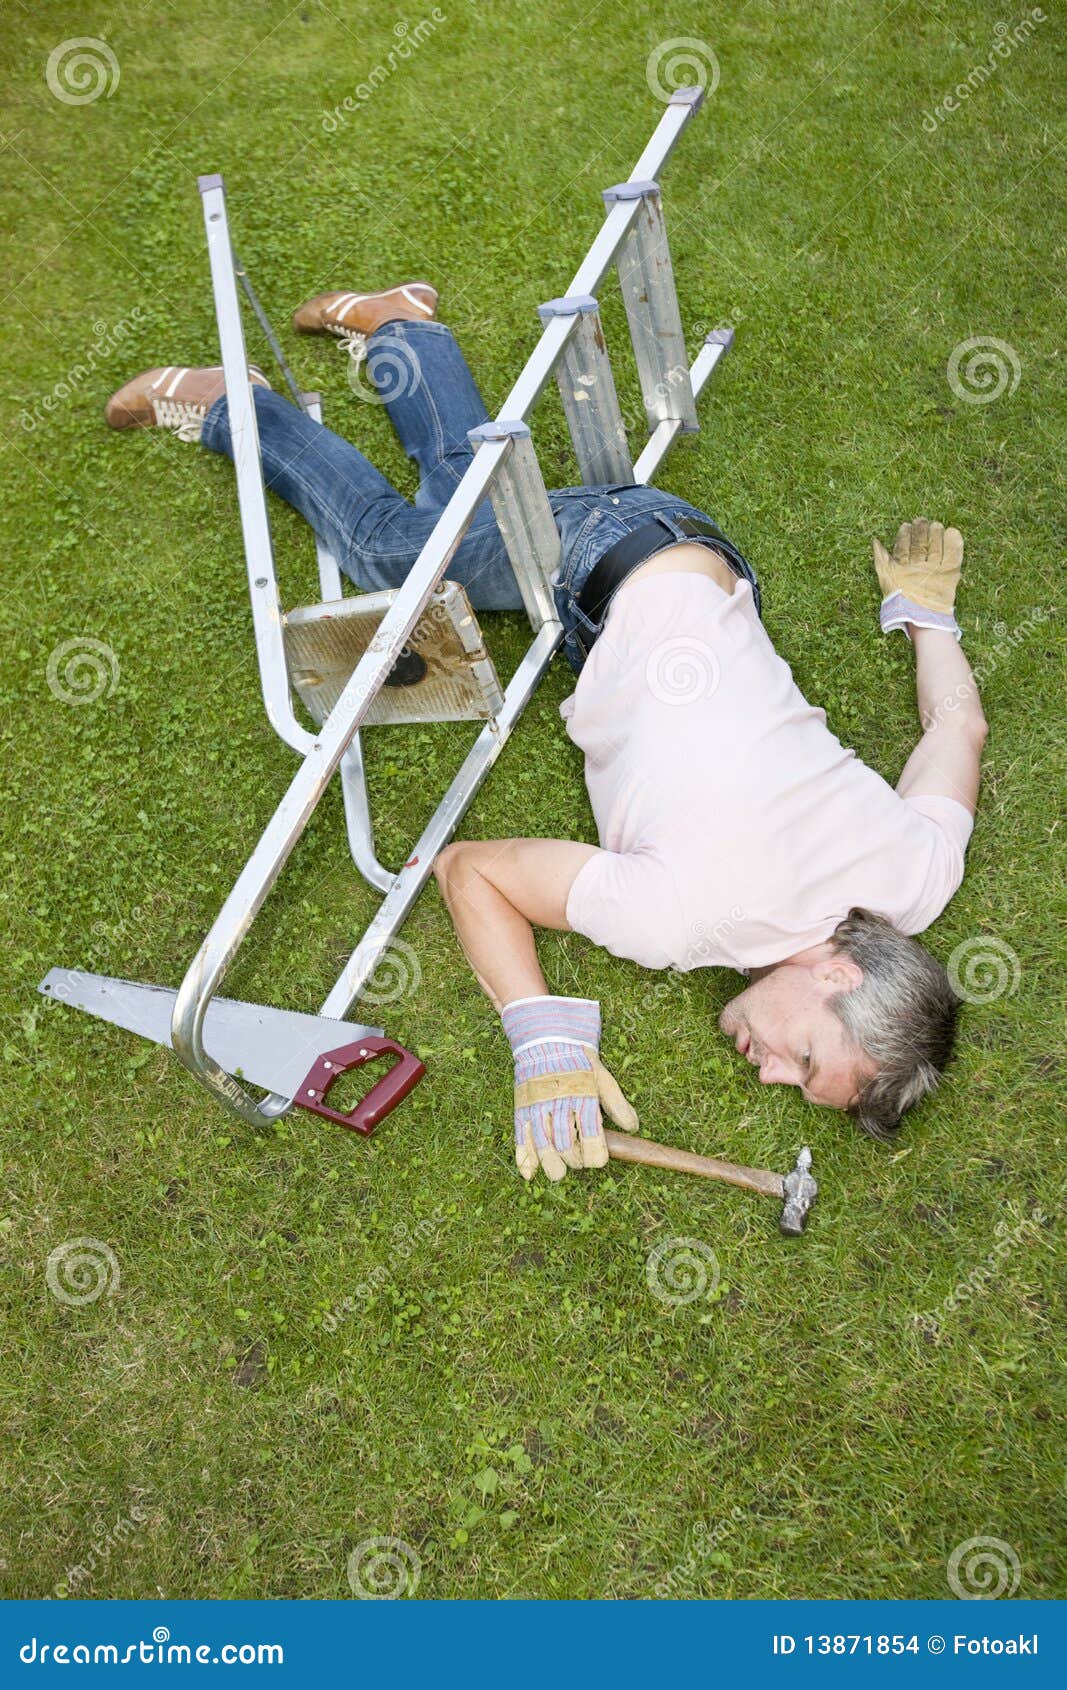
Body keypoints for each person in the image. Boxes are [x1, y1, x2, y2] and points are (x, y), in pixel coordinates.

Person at [106, 284, 987, 1182]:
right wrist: (538, 1038)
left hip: (698, 561)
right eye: (801, 1058)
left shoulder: (915, 882)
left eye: (793, 1086)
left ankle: (401, 324)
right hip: (590, 561)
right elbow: (471, 870)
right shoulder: (680, 920)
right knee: (386, 548)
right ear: (839, 978)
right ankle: (231, 405)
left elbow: (958, 729)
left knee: (460, 495)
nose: (767, 1074)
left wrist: (926, 617)